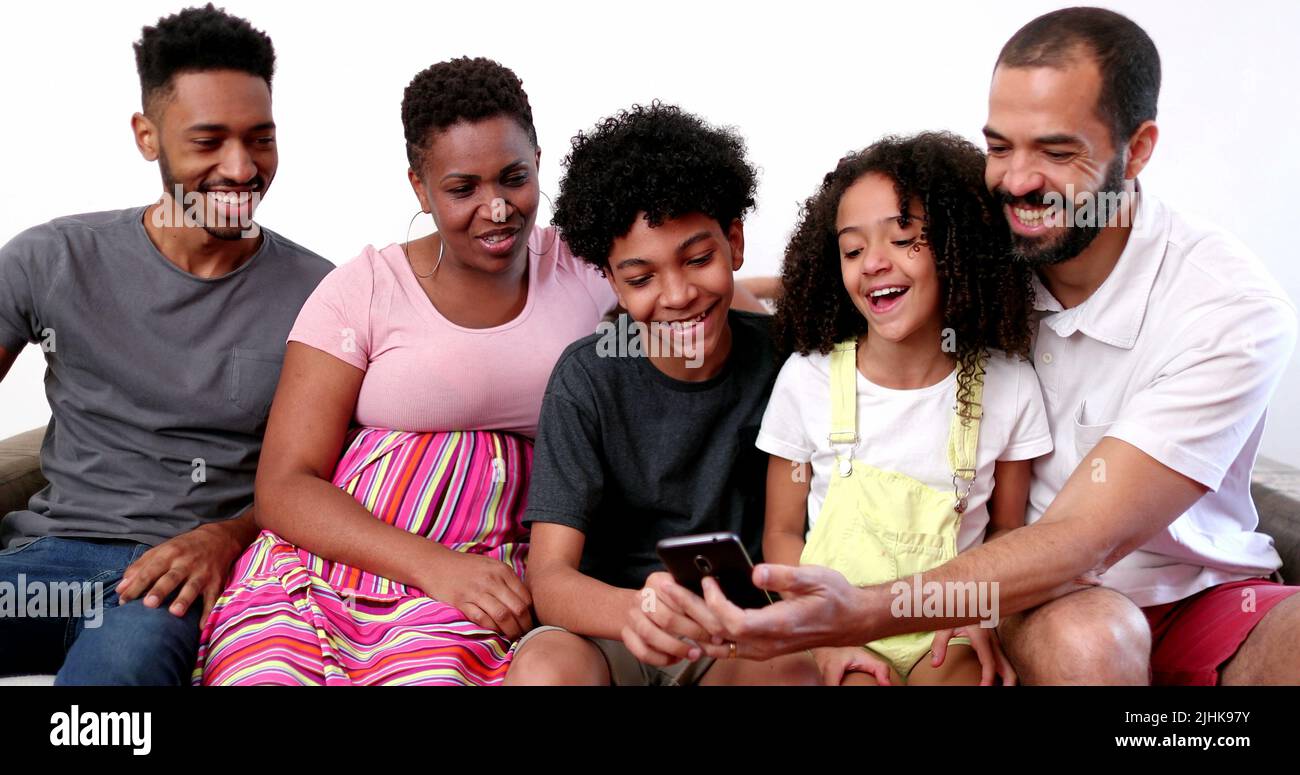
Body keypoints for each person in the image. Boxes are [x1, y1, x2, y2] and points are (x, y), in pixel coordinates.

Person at [677, 7, 1300, 686]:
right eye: (1001, 146)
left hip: (1194, 591)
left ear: (1139, 146)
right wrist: (740, 286)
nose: (1018, 179)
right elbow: (865, 275)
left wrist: (861, 613)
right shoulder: (982, 253)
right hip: (1039, 603)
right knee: (1092, 640)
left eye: (1057, 152)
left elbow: (1085, 538)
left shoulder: (1227, 304)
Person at [192, 57, 626, 685]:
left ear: (539, 160)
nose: (497, 208)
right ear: (420, 189)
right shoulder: (363, 288)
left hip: (490, 575)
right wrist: (437, 567)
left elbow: (690, 291)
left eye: (514, 177)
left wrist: (801, 289)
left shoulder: (585, 269)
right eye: (462, 188)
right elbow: (285, 484)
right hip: (331, 564)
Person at [0, 5, 332, 684]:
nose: (241, 168)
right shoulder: (53, 258)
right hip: (45, 557)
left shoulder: (322, 296)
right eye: (209, 140)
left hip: (176, 581)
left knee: (109, 699)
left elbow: (323, 479)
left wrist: (225, 537)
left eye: (260, 138)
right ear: (147, 137)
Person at [504, 103, 819, 686]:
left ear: (735, 242)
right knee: (545, 670)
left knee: (792, 675)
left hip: (738, 630)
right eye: (642, 278)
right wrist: (633, 611)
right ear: (611, 281)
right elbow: (549, 579)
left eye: (698, 259)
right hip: (615, 625)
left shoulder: (787, 364)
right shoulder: (587, 380)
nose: (676, 295)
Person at [760, 132, 1051, 685]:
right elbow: (780, 534)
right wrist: (823, 640)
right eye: (852, 249)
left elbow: (1009, 534)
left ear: (958, 249)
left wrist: (982, 610)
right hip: (833, 632)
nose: (873, 263)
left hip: (948, 631)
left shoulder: (1010, 387)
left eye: (903, 239)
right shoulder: (807, 380)